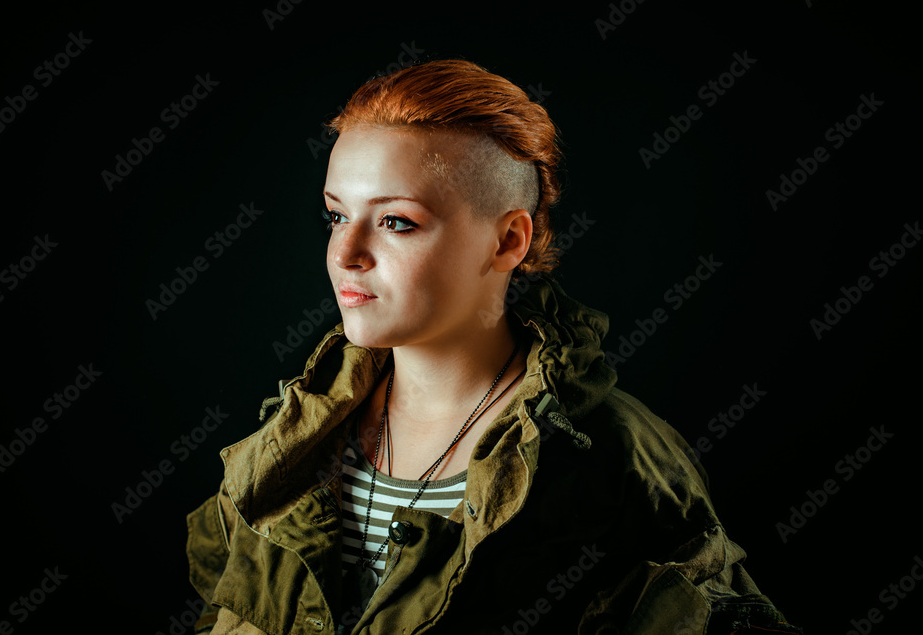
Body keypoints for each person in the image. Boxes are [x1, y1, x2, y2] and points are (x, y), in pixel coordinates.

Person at [185, 59, 801, 634]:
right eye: (336, 216)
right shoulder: (294, 433)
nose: (345, 255)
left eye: (397, 221)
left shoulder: (615, 459)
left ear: (508, 240)